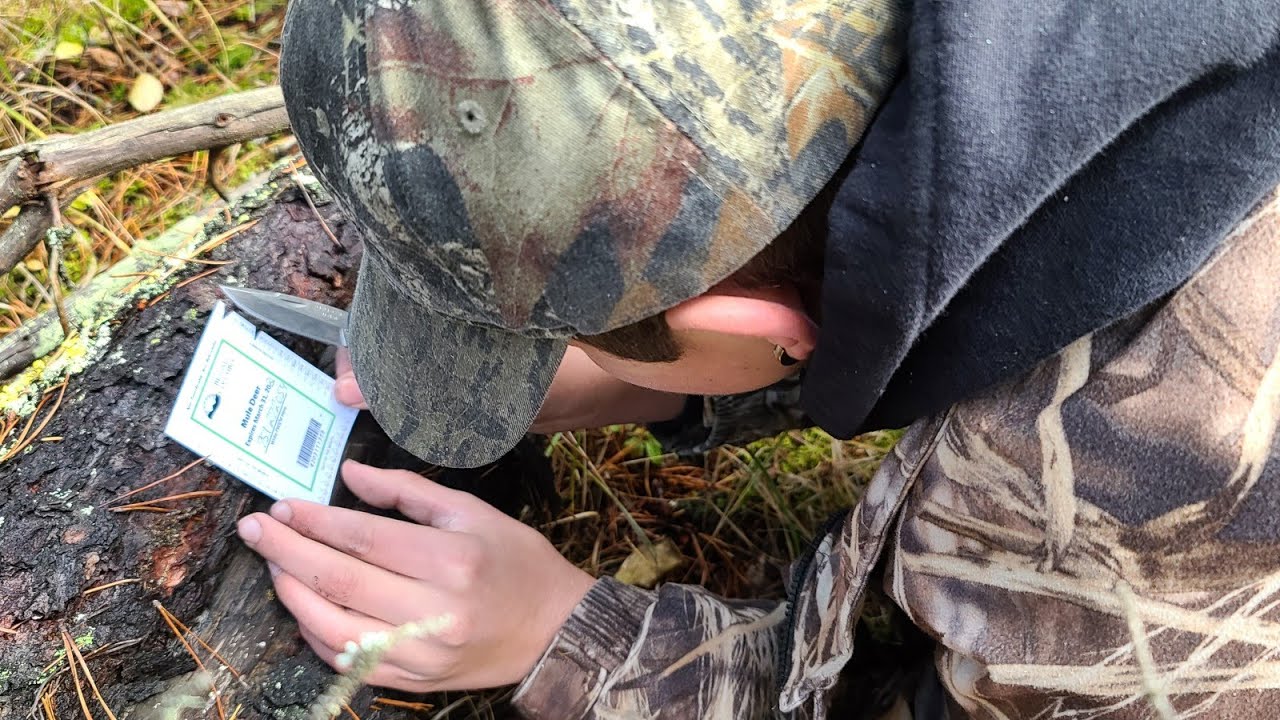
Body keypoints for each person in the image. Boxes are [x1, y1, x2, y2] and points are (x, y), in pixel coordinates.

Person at [233, 0, 1280, 717]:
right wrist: (646, 378)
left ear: (761, 330)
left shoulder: (1133, 470)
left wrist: (570, 636)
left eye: (556, 334)